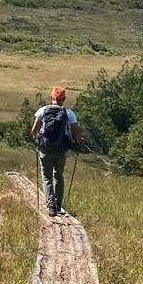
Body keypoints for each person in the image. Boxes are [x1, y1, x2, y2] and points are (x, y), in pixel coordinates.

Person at [31, 85, 84, 216]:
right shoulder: (69, 113)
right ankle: (58, 204)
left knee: (46, 177)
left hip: (45, 148)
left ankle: (51, 206)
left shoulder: (43, 111)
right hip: (61, 149)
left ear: (51, 97)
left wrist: (37, 139)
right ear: (64, 99)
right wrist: (80, 141)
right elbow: (76, 133)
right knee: (58, 175)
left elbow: (34, 130)